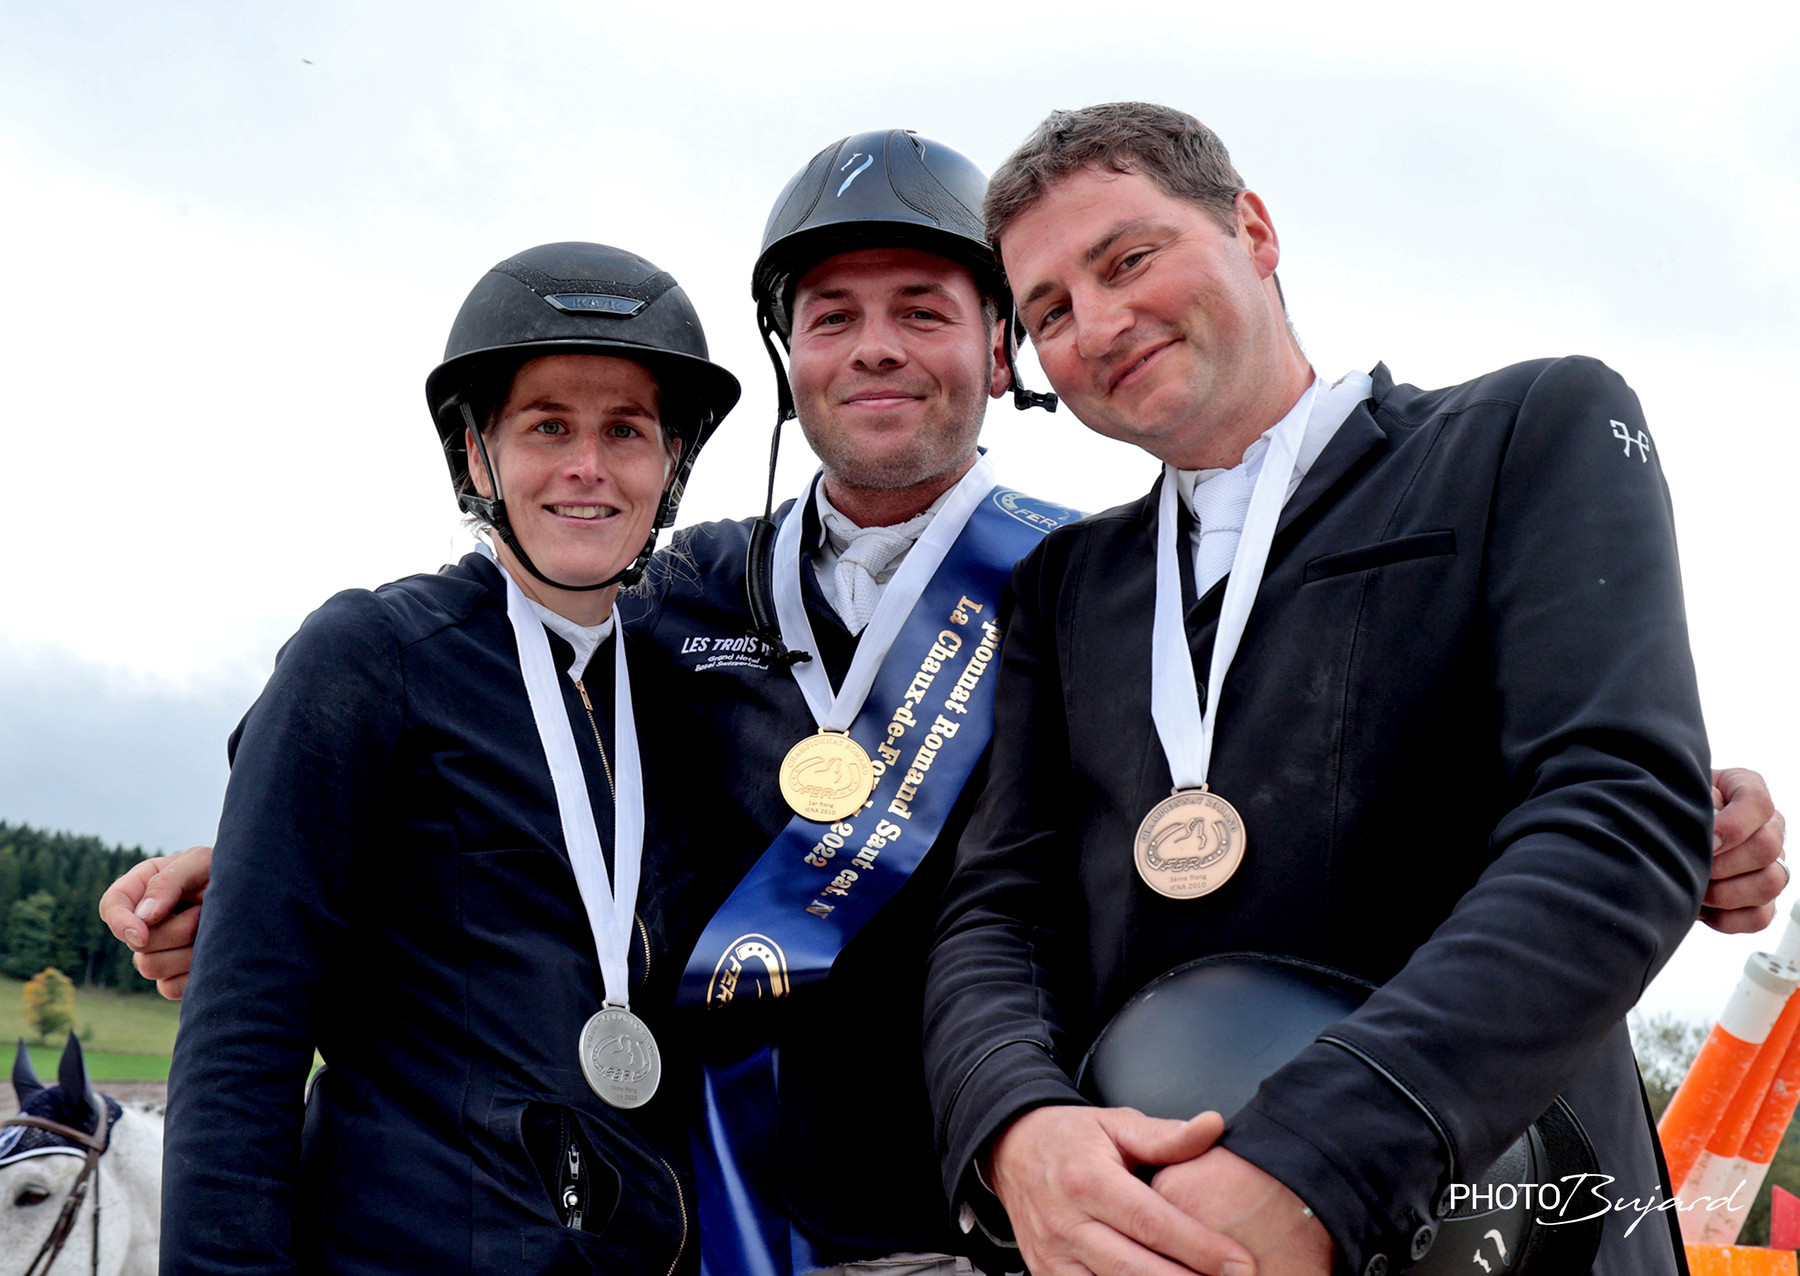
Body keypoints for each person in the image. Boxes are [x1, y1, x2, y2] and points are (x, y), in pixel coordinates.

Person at [105, 133, 1783, 1275]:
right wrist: (256, 865)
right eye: (833, 318)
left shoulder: (1087, 583)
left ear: (1000, 348)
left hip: (1060, 1211)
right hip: (740, 1219)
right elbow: (504, 757)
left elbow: (1359, 775)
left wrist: (1661, 805)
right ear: (787, 362)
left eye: (929, 309)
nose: (878, 349)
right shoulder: (684, 599)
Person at [922, 102, 1758, 1276]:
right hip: (1163, 1242)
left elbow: (1615, 817)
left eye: (1129, 259)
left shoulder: (1525, 433)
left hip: (1508, 1227)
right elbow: (1002, 914)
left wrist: (1318, 1160)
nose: (1099, 324)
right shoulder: (1064, 588)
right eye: (1050, 310)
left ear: (1254, 230)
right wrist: (1015, 1126)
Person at [159, 242, 740, 1274]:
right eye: (547, 425)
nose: (588, 466)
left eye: (625, 430)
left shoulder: (682, 695)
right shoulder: (369, 655)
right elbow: (243, 1038)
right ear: (477, 455)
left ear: (671, 464)